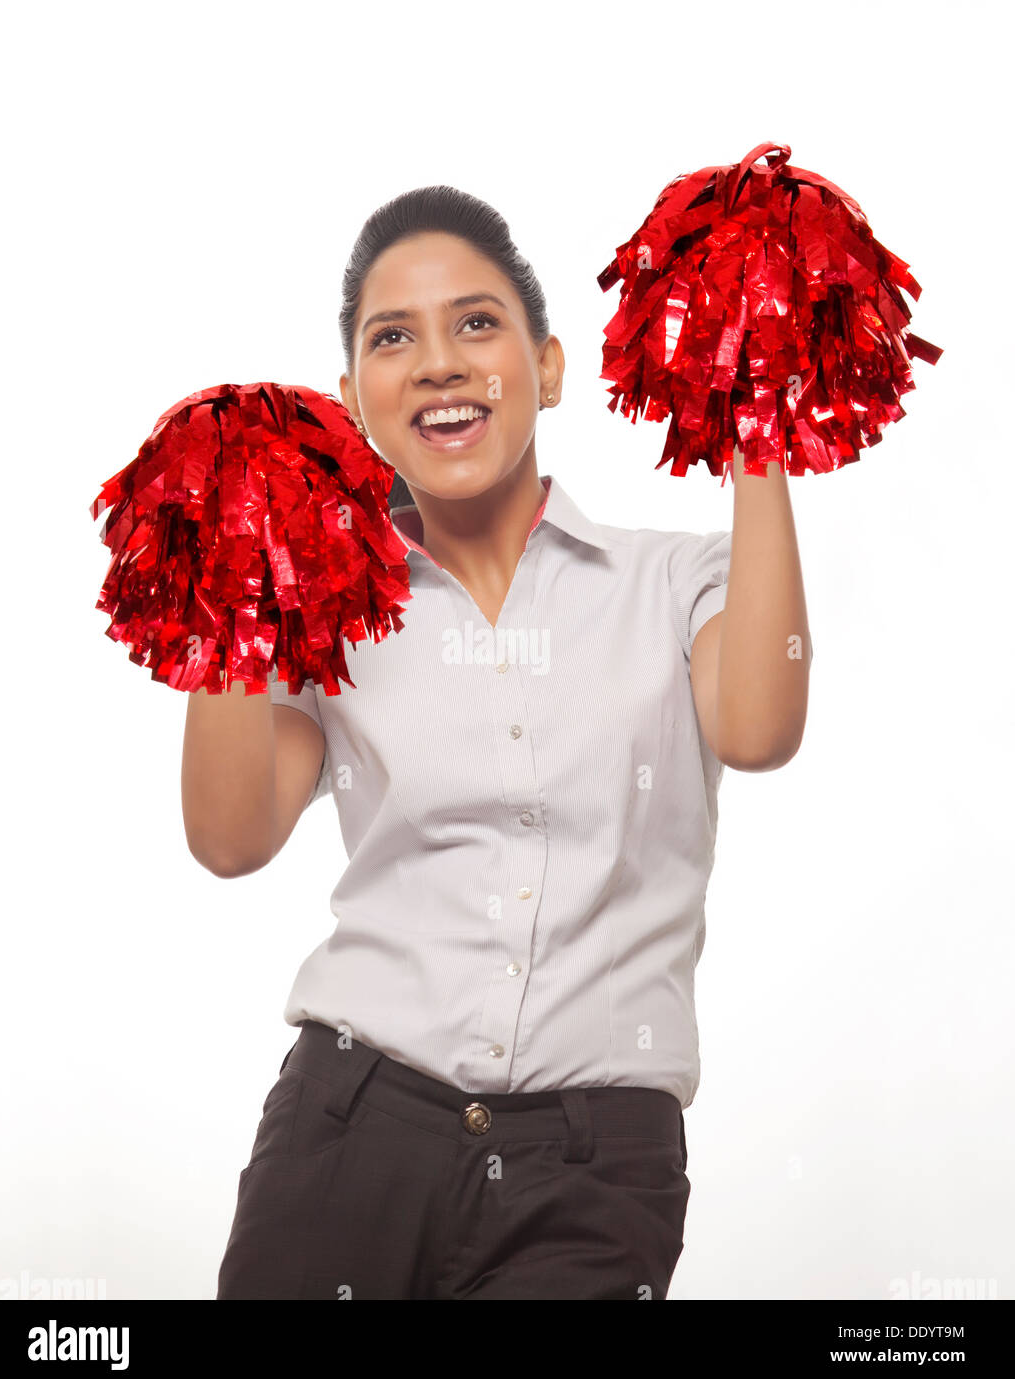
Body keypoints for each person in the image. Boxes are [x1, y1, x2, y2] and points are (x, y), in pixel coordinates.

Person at [182, 185, 812, 1300]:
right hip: (346, 1130)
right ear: (352, 401)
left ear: (549, 366)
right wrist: (237, 584)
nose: (437, 361)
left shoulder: (678, 580)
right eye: (393, 337)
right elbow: (229, 840)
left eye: (476, 323)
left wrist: (752, 409)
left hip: (594, 1162)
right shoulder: (325, 615)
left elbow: (758, 729)